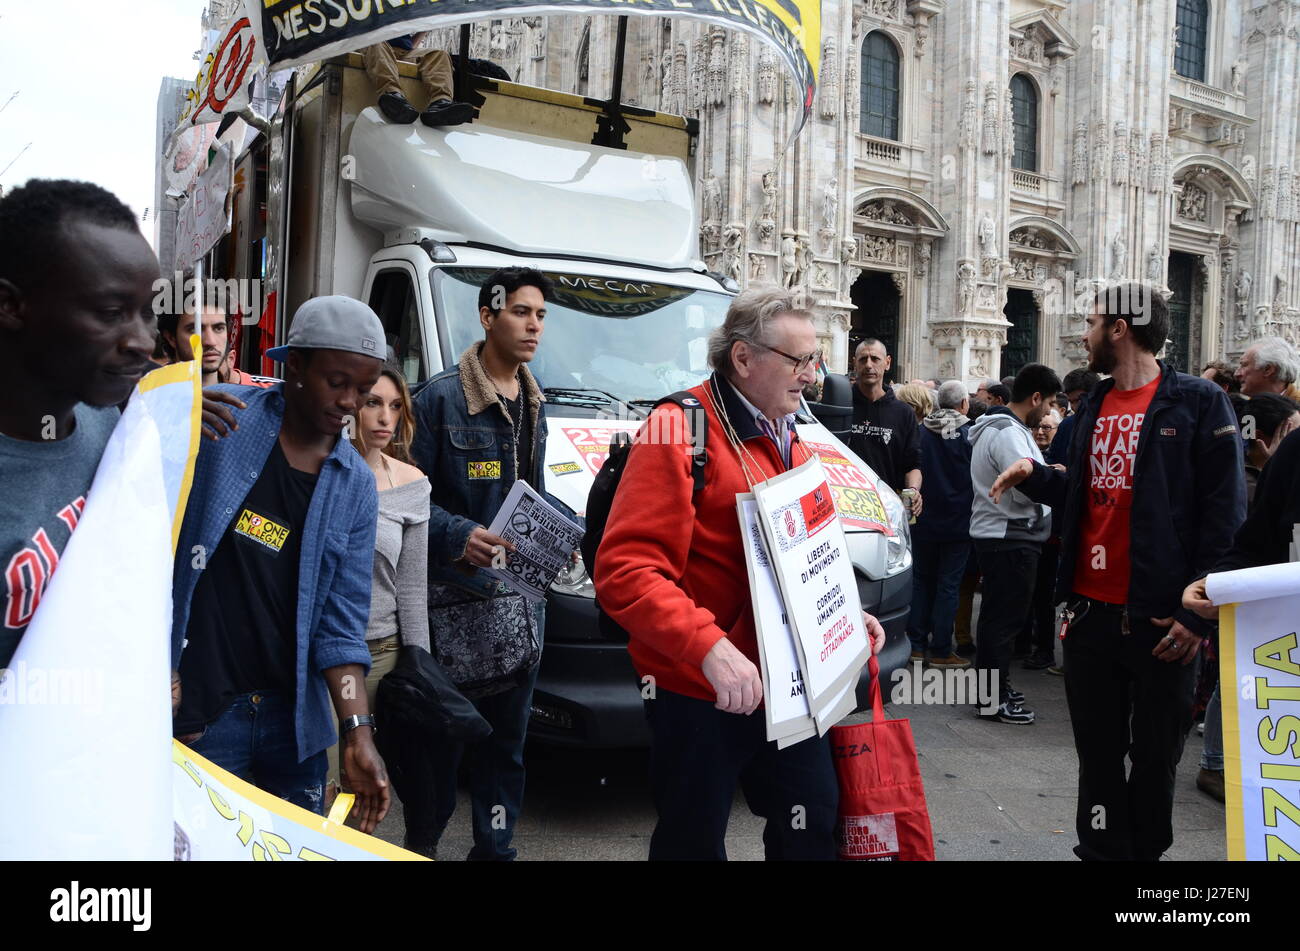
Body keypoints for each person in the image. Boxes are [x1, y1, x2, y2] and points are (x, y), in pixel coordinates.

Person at [593, 286, 886, 861]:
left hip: (790, 684)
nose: (813, 374)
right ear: (744, 358)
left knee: (812, 823)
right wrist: (707, 646)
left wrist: (846, 617)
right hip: (700, 688)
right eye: (798, 360)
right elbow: (627, 569)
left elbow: (801, 560)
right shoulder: (680, 428)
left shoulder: (793, 433)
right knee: (692, 839)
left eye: (815, 358)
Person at [991, 281, 1245, 861]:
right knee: (1099, 755)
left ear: (1120, 329)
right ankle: (1101, 849)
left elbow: (1225, 520)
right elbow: (1077, 486)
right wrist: (1035, 472)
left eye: (1090, 322)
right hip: (1089, 615)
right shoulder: (1094, 406)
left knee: (1157, 758)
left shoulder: (1199, 403)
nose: (1083, 334)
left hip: (1163, 622)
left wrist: (1195, 615)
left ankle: (1145, 857)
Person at [171, 296, 391, 831]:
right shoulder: (221, 420)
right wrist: (169, 414)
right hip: (204, 719)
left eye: (362, 391)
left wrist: (357, 732)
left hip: (295, 732)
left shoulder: (355, 484)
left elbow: (341, 627)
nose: (349, 403)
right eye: (337, 382)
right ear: (294, 366)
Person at [408, 266, 563, 861]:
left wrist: (557, 530)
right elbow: (404, 497)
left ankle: (494, 851)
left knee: (507, 746)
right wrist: (458, 536)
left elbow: (530, 491)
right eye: (522, 312)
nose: (533, 325)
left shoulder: (533, 399)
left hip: (519, 606)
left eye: (541, 315)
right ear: (487, 315)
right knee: (441, 743)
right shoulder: (440, 398)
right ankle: (421, 846)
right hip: (453, 605)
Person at [0, 180, 157, 669]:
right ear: (11, 306)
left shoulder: (114, 428)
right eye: (111, 313)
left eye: (147, 313)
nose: (143, 342)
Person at [322, 365, 432, 845]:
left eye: (394, 405)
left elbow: (411, 587)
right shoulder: (323, 468)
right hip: (320, 659)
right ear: (352, 406)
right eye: (372, 403)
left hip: (383, 655)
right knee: (320, 790)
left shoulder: (412, 484)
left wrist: (421, 670)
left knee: (365, 793)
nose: (384, 417)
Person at [968, 363, 1061, 724]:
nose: (1050, 411)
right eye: (1049, 402)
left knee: (998, 618)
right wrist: (1051, 482)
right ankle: (992, 697)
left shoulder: (1008, 429)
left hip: (1005, 533)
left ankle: (994, 691)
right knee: (1003, 621)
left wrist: (1048, 474)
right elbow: (1024, 489)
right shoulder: (1007, 433)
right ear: (1035, 397)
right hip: (1009, 534)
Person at [908, 380, 974, 668]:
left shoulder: (922, 431)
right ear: (963, 404)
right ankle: (941, 649)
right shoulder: (970, 434)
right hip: (958, 522)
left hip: (925, 519)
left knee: (922, 581)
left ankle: (916, 645)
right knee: (949, 585)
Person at [848, 338, 923, 513]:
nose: (868, 365)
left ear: (887, 363)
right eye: (862, 359)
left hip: (888, 510)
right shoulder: (839, 406)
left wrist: (912, 491)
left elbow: (913, 464)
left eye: (875, 359)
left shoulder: (904, 413)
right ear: (854, 363)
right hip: (845, 509)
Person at [1019, 409, 1062, 669]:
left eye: (1048, 428)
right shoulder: (1027, 455)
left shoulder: (1059, 460)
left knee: (1044, 595)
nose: (1041, 432)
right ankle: (1023, 641)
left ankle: (1044, 648)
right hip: (1028, 533)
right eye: (1038, 427)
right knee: (1025, 590)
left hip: (1051, 538)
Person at [362, 33, 475, 127]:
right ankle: (392, 97)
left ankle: (441, 102)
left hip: (404, 51)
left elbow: (411, 43)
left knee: (439, 55)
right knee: (375, 43)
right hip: (375, 44)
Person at [1235, 336, 1300, 399]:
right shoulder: (1242, 406)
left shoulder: (1296, 406)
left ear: (1268, 370)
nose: (1236, 374)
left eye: (1244, 365)